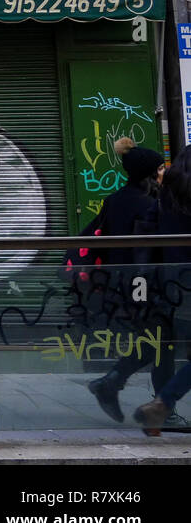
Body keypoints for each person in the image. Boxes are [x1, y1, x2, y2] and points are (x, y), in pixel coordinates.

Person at [82, 141, 164, 422]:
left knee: (157, 340)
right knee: (160, 341)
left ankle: (112, 382)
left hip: (121, 284)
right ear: (149, 174)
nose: (163, 173)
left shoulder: (114, 200)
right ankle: (162, 406)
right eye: (160, 169)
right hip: (144, 286)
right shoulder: (149, 205)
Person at [127, 149, 191, 434]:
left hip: (172, 285)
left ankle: (164, 403)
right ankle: (164, 402)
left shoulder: (165, 195)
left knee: (164, 348)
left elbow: (146, 233)